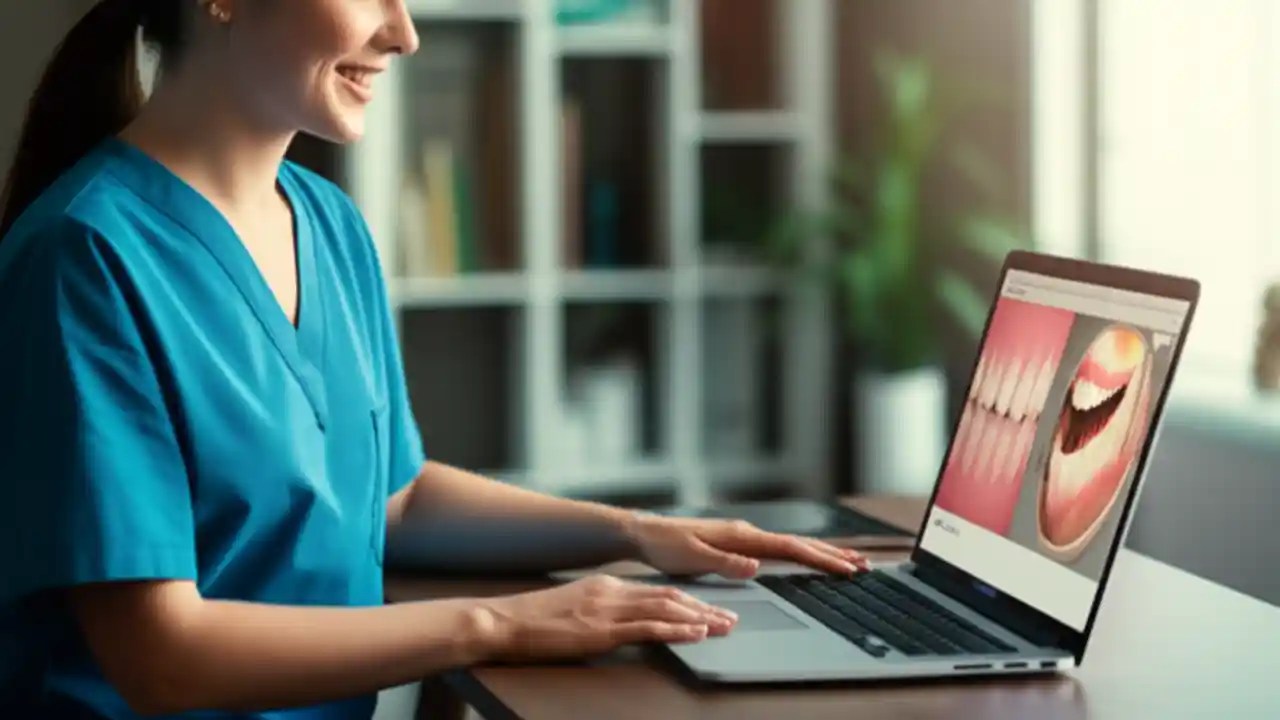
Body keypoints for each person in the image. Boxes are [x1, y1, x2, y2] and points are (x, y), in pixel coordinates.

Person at [0, 1, 866, 718]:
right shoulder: (85, 256)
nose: (403, 31)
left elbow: (396, 495)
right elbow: (163, 658)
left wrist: (634, 533)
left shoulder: (328, 225)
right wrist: (501, 624)